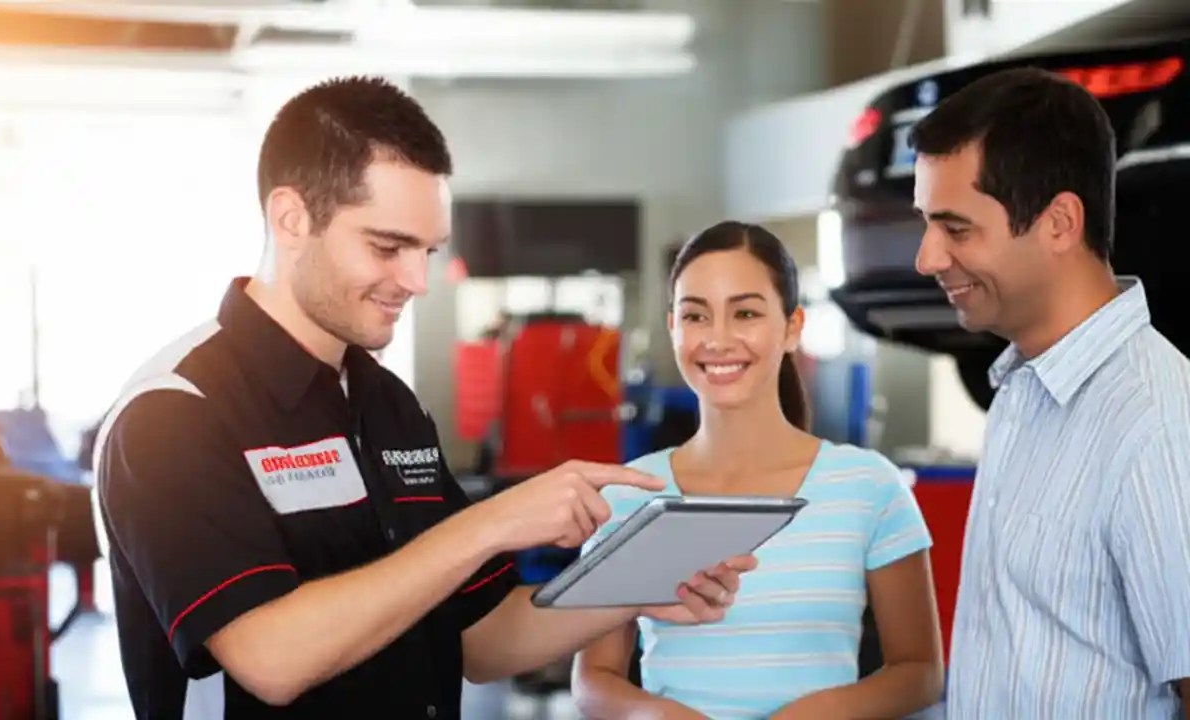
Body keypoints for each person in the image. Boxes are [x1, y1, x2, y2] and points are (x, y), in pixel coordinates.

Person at [92, 76, 757, 720]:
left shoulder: (388, 404)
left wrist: (636, 588)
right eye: (389, 247)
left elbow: (483, 638)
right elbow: (272, 660)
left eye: (429, 250)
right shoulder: (172, 415)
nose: (418, 280)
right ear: (291, 218)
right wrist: (492, 522)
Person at [571, 221, 945, 719]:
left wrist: (818, 714)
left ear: (792, 327)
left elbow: (920, 670)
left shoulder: (869, 486)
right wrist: (659, 716)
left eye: (744, 313)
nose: (718, 339)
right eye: (696, 316)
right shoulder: (627, 494)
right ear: (673, 328)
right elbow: (594, 677)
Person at [909, 66, 1190, 719]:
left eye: (955, 228)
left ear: (1061, 221)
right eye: (926, 223)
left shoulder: (1158, 424)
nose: (926, 258)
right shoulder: (1020, 390)